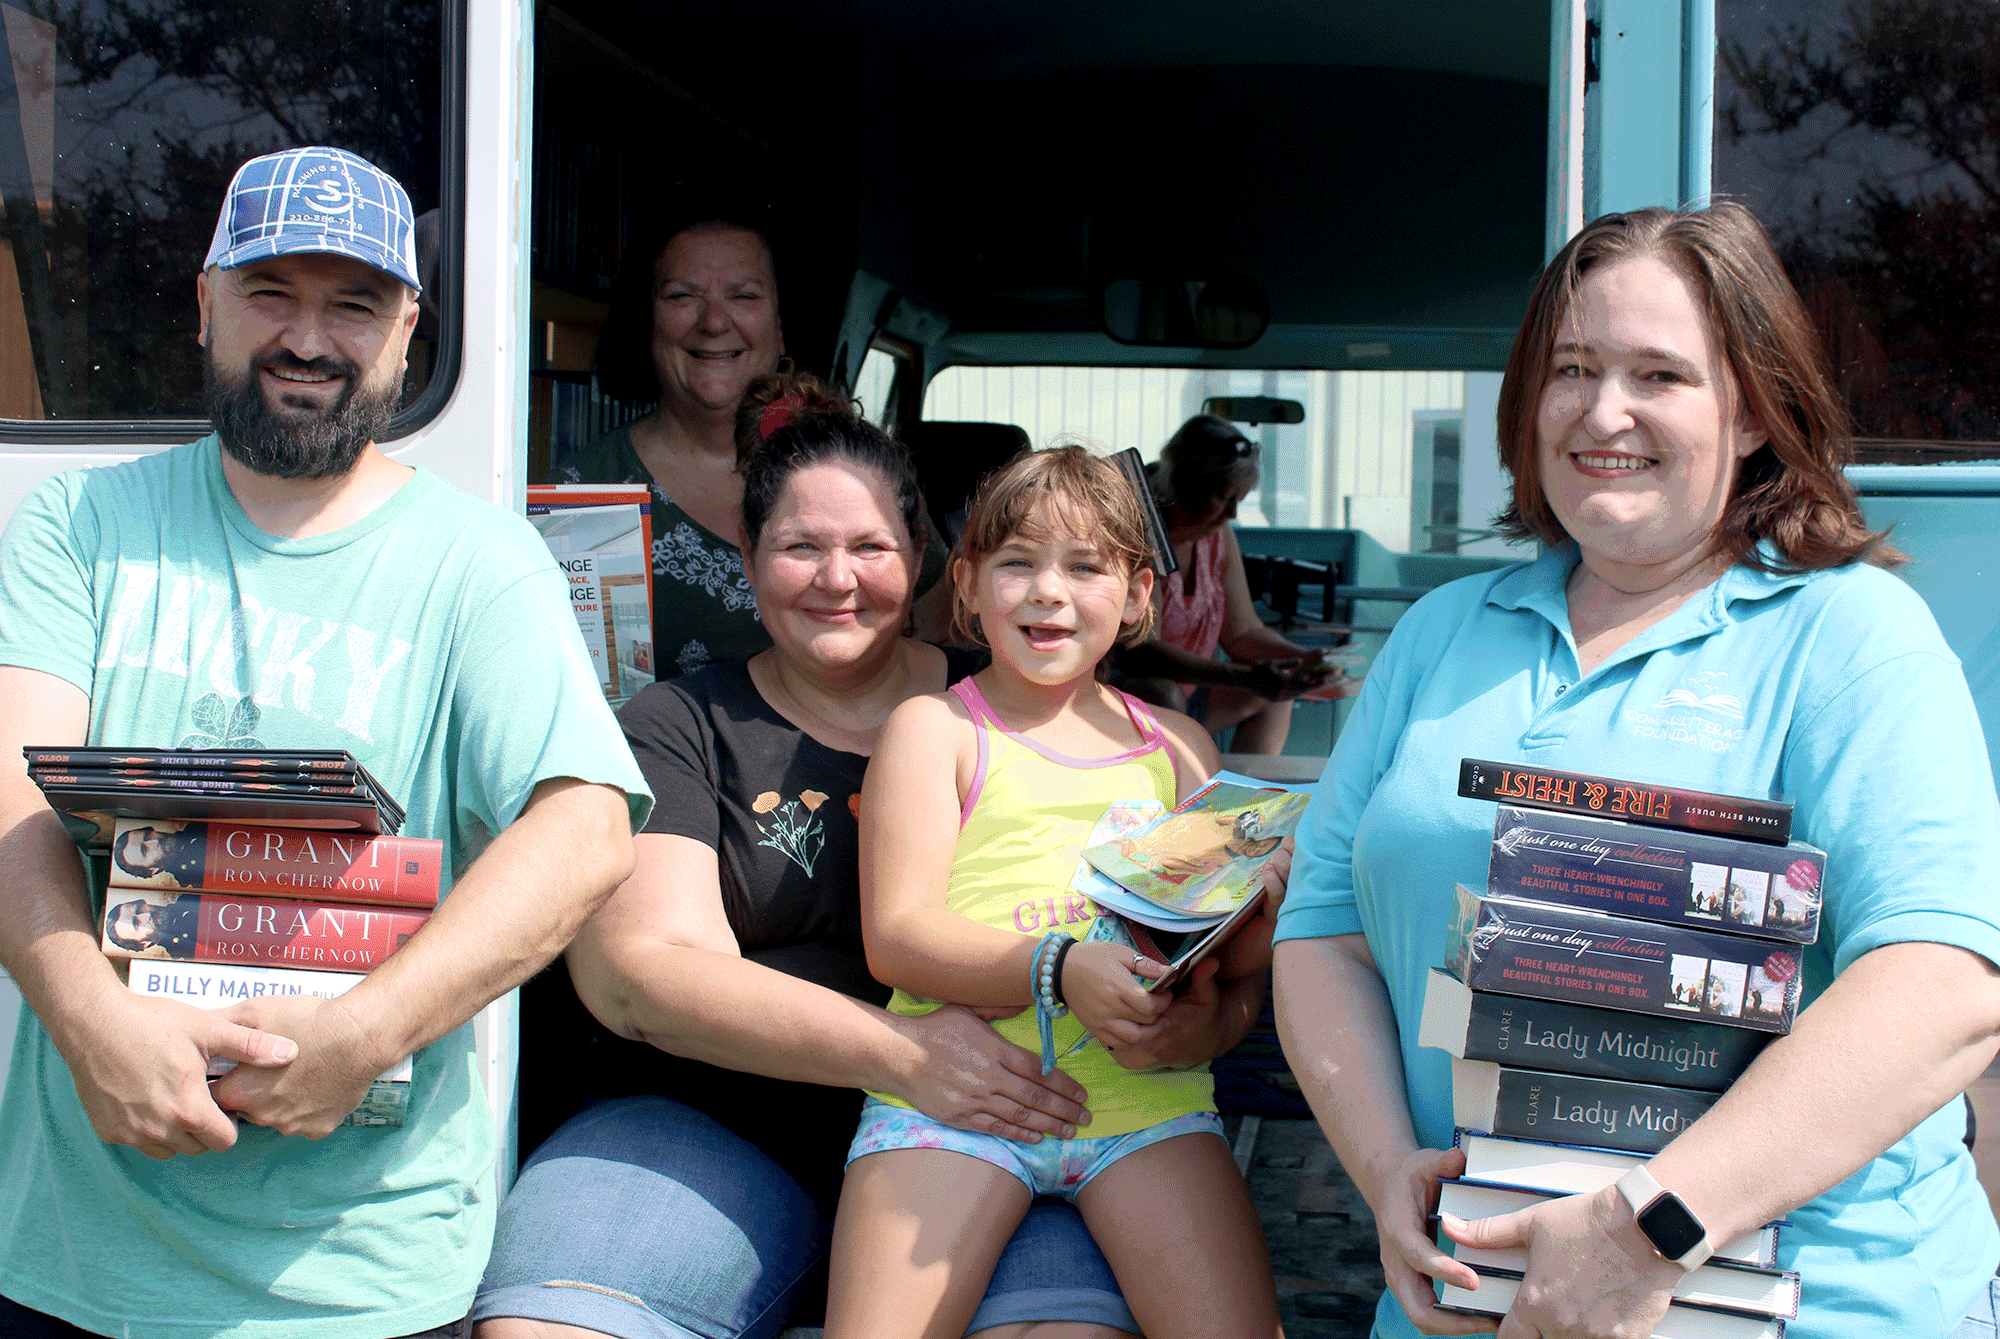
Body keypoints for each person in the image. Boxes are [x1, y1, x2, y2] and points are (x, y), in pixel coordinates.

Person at [1271, 202, 2000, 1339]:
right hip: (1470, 1301)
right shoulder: (1439, 634)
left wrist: (1643, 1227)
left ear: (1754, 409)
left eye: (1658, 374)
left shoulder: (1850, 635)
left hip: (1797, 1307)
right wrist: (1384, 1172)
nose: (1602, 411)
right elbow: (1320, 928)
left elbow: (1943, 986)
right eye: (1571, 367)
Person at [0, 146, 649, 1338]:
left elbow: (585, 825)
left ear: (410, 330)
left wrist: (362, 1034)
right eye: (270, 293)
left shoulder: (480, 562)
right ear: (206, 306)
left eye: (353, 303)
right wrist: (93, 1024)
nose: (309, 337)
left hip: (359, 1278)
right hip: (73, 1259)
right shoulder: (81, 524)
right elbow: (6, 802)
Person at [476, 380, 1270, 1339]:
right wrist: (904, 1054)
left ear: (927, 562)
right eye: (801, 545)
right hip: (734, 1126)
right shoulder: (684, 722)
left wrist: (1210, 1014)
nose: (835, 577)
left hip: (1046, 1106)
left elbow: (1214, 945)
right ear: (749, 557)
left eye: (870, 548)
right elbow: (640, 977)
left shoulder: (1095, 722)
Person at [833, 444, 1284, 1339]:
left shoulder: (1183, 750)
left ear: (1139, 596)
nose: (1049, 591)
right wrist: (1060, 967)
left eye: (1085, 567)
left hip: (1146, 1110)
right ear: (966, 582)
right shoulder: (936, 729)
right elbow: (897, 934)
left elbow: (1220, 967)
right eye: (1017, 563)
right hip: (956, 1107)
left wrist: (1266, 911)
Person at [547, 216, 782, 678]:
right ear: (646, 319)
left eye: (744, 296)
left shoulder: (855, 467)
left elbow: (936, 633)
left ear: (782, 318)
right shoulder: (582, 495)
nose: (714, 322)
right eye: (682, 296)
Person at [1120, 414, 1348, 754]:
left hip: (1191, 695)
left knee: (1278, 693)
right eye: (1224, 496)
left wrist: (1307, 662)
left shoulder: (1218, 536)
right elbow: (1140, 652)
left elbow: (1241, 634)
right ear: (1184, 482)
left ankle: (1249, 797)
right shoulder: (1137, 534)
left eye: (1239, 500)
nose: (1232, 514)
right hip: (1131, 698)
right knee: (1162, 694)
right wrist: (1244, 677)